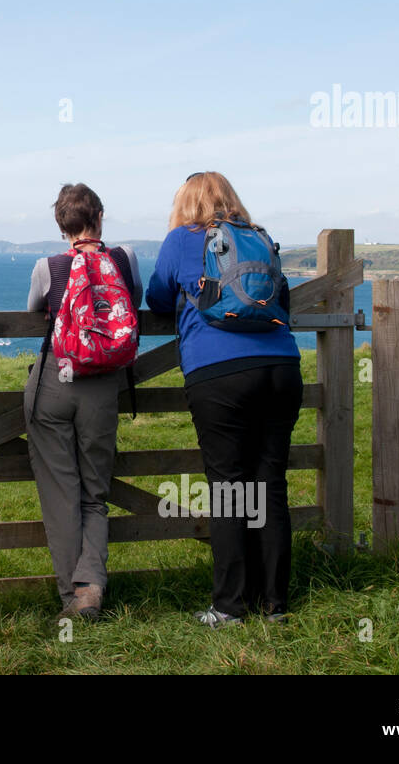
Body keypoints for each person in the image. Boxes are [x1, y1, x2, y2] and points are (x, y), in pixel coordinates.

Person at [145, 171, 301, 627]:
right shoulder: (259, 237)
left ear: (184, 204)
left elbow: (156, 298)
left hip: (220, 373)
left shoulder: (180, 240)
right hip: (281, 366)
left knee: (230, 486)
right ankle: (274, 605)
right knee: (269, 482)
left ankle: (231, 605)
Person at [23, 183, 141, 620]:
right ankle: (90, 586)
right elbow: (133, 306)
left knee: (61, 495)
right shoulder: (125, 260)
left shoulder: (48, 266)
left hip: (56, 377)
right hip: (104, 383)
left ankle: (71, 598)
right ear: (100, 215)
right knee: (95, 491)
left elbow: (35, 308)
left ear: (60, 223)